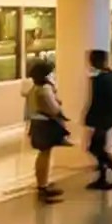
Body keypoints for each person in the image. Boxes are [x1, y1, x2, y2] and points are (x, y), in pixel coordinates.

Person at [23, 61, 67, 204]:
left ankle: (43, 184)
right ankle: (43, 187)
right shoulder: (44, 90)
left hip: (37, 124)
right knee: (45, 155)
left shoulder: (33, 89)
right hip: (44, 125)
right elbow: (54, 109)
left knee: (44, 154)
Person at [85, 49, 112, 190]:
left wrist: (89, 119)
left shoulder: (98, 80)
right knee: (102, 148)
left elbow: (96, 102)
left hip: (100, 120)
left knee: (100, 149)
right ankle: (105, 175)